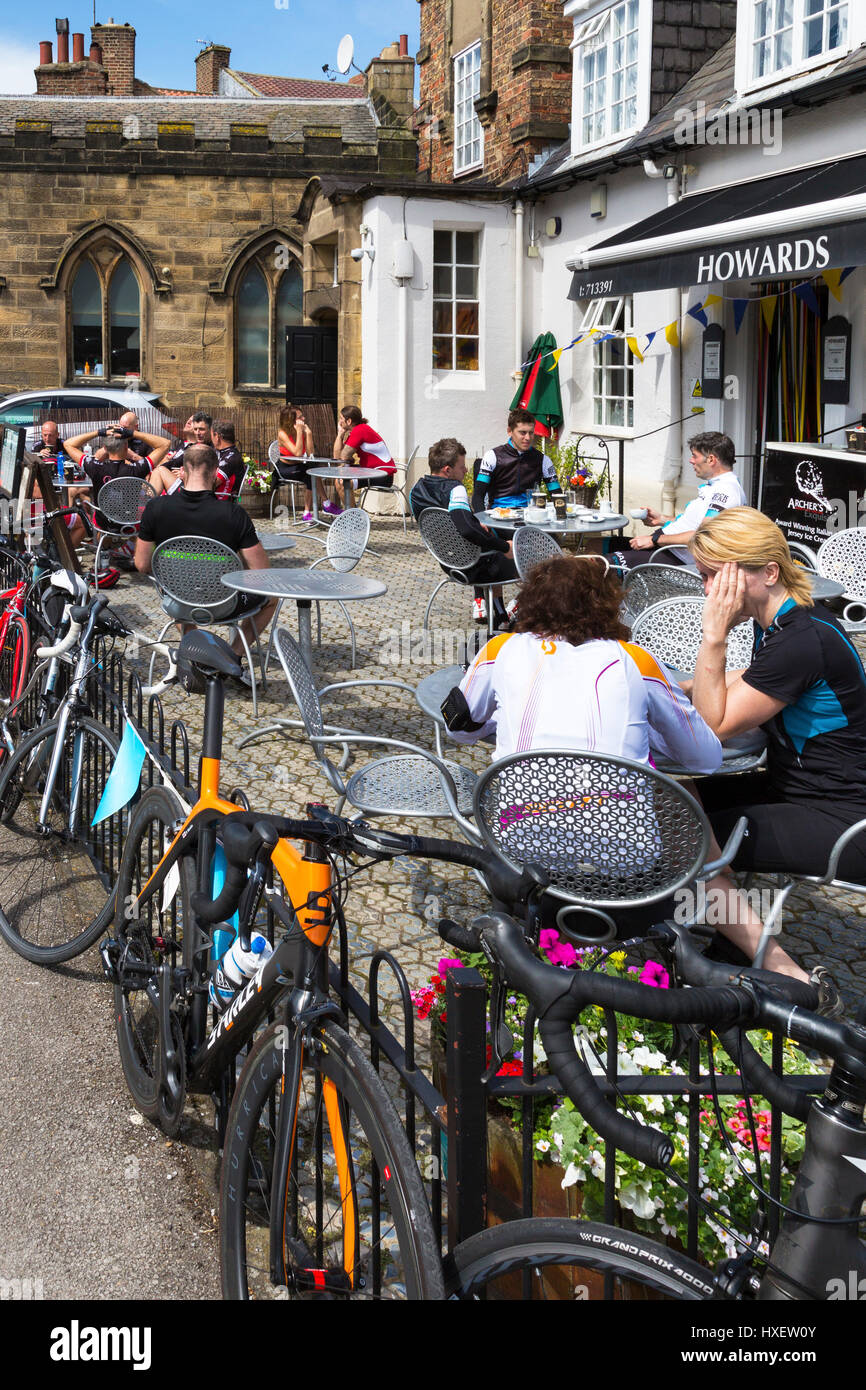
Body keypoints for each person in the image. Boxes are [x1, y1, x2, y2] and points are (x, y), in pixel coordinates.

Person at [448, 553, 730, 937]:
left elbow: (459, 730)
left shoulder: (501, 650)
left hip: (519, 861)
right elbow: (706, 758)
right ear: (608, 603)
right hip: (624, 877)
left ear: (529, 601)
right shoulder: (636, 660)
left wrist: (505, 715)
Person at [686, 505, 866, 1011]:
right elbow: (739, 683)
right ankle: (731, 932)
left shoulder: (801, 642)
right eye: (704, 579)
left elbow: (711, 729)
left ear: (767, 572)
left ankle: (782, 971)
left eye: (716, 579)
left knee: (685, 836)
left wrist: (714, 634)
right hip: (797, 789)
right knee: (679, 799)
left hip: (842, 818)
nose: (708, 593)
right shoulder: (788, 623)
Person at [134, 445, 278, 673]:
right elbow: (261, 572)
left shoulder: (155, 508)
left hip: (177, 602)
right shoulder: (233, 513)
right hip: (224, 604)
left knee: (181, 588)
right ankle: (233, 655)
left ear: (182, 470)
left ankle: (195, 655)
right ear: (214, 472)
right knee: (270, 598)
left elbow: (141, 565)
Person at [410, 437, 517, 626]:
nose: (466, 471)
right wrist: (503, 546)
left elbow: (450, 525)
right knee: (535, 559)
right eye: (462, 467)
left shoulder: (416, 490)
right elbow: (466, 529)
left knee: (487, 545)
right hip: (476, 566)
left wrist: (475, 525)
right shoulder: (455, 489)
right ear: (447, 470)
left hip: (449, 563)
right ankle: (520, 610)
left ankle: (499, 614)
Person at [613, 431, 747, 573]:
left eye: (695, 456)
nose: (691, 460)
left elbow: (704, 535)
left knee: (601, 565)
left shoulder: (726, 490)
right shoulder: (715, 486)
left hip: (678, 559)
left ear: (711, 460)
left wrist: (655, 539)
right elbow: (693, 523)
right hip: (666, 548)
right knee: (598, 544)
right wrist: (662, 519)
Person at [471, 408, 564, 513]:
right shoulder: (492, 456)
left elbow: (557, 495)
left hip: (530, 515)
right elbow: (478, 496)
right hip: (499, 516)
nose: (528, 438)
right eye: (522, 433)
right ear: (509, 431)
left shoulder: (544, 460)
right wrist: (482, 521)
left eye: (531, 433)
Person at [332, 405, 395, 509]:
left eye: (341, 418)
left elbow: (342, 457)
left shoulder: (359, 430)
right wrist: (340, 435)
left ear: (349, 421)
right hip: (373, 471)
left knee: (342, 482)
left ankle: (353, 517)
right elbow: (338, 457)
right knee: (340, 480)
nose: (339, 422)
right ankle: (353, 516)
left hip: (382, 475)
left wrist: (340, 435)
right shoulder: (359, 430)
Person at [275, 405, 329, 520]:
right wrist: (300, 432)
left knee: (313, 471)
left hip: (298, 466)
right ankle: (320, 506)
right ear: (291, 420)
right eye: (300, 417)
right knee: (311, 473)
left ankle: (314, 509)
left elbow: (310, 454)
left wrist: (308, 434)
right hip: (285, 468)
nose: (304, 419)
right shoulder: (282, 433)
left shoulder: (301, 431)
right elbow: (298, 453)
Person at [211, 420, 245, 499]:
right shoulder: (220, 452)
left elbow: (212, 484)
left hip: (221, 502)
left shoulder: (231, 458)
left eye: (211, 435)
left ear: (217, 436)